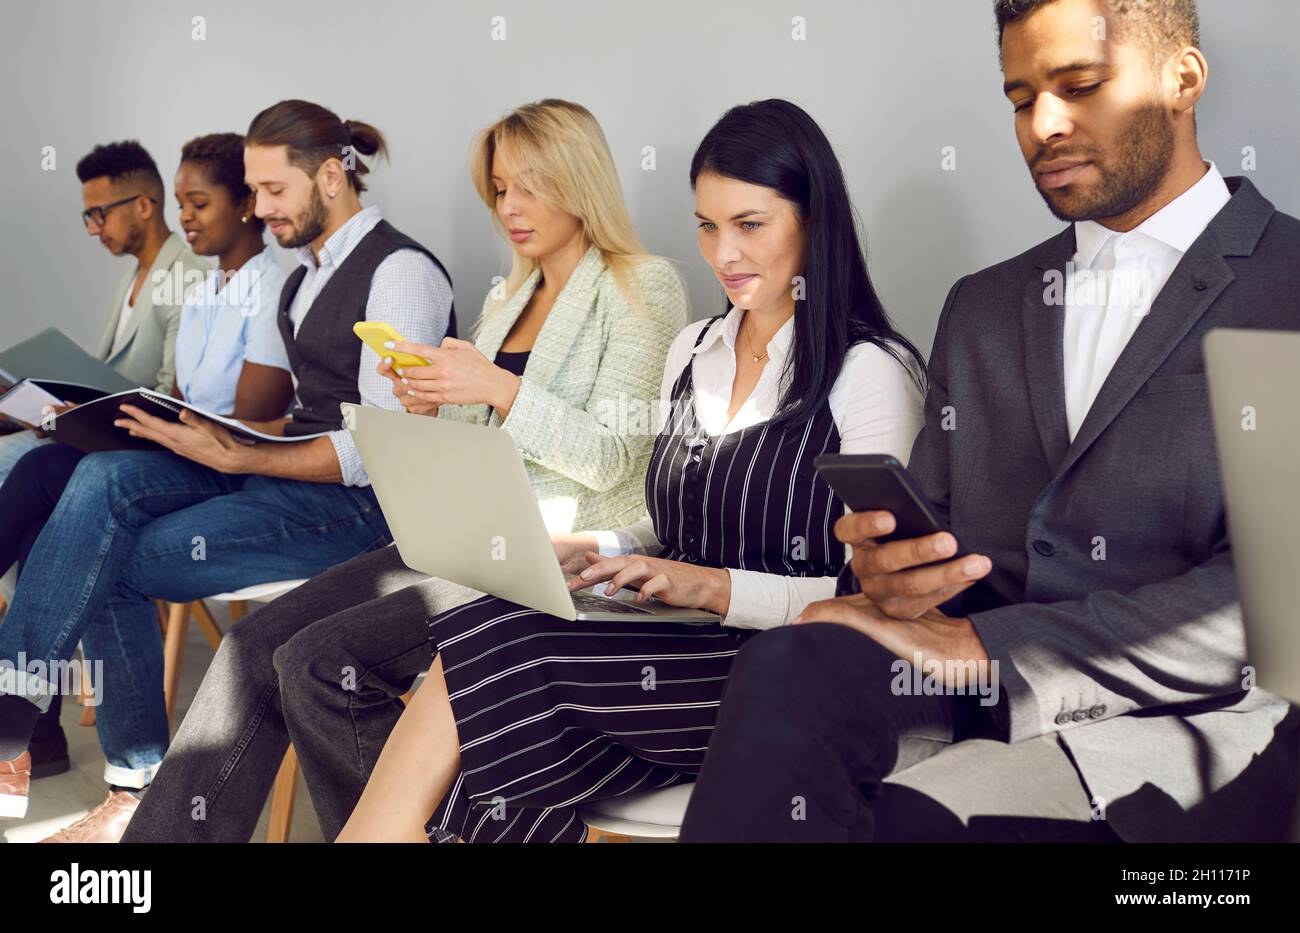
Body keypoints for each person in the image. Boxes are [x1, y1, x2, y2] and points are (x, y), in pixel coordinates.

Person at [679, 0, 1300, 844]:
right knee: (786, 662)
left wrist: (990, 645)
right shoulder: (982, 305)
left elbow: (1271, 606)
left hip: (1195, 723)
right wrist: (892, 575)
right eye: (1019, 99)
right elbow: (940, 543)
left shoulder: (1287, 286)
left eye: (1079, 86)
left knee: (915, 821)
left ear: (1183, 78)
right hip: (965, 679)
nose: (1044, 124)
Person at [335, 98, 928, 843]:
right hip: (674, 643)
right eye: (708, 226)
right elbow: (677, 517)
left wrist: (712, 585)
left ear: (815, 220)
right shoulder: (694, 349)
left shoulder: (870, 374)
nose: (724, 254)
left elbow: (875, 599)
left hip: (789, 668)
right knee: (501, 690)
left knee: (509, 660)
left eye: (751, 224)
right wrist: (609, 549)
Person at [121, 99, 689, 843]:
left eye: (527, 187)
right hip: (465, 533)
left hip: (553, 550)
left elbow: (618, 454)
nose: (508, 209)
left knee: (321, 665)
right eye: (498, 190)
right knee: (251, 648)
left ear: (579, 181)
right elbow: (480, 441)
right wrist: (427, 412)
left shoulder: (642, 285)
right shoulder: (508, 296)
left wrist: (499, 388)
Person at [0, 99, 454, 840]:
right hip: (285, 473)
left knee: (106, 554)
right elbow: (298, 420)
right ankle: (52, 744)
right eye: (255, 190)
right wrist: (210, 435)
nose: (261, 207)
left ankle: (116, 782)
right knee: (98, 478)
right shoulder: (307, 278)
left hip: (366, 511)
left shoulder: (399, 273)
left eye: (274, 191)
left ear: (332, 176)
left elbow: (383, 449)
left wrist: (244, 451)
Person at [0, 131, 294, 787]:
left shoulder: (272, 288)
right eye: (182, 203)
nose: (184, 217)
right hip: (171, 452)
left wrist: (140, 424)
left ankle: (17, 729)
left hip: (228, 470)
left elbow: (242, 435)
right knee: (48, 482)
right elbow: (182, 401)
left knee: (75, 485)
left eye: (196, 203)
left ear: (246, 204)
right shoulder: (204, 295)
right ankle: (36, 737)